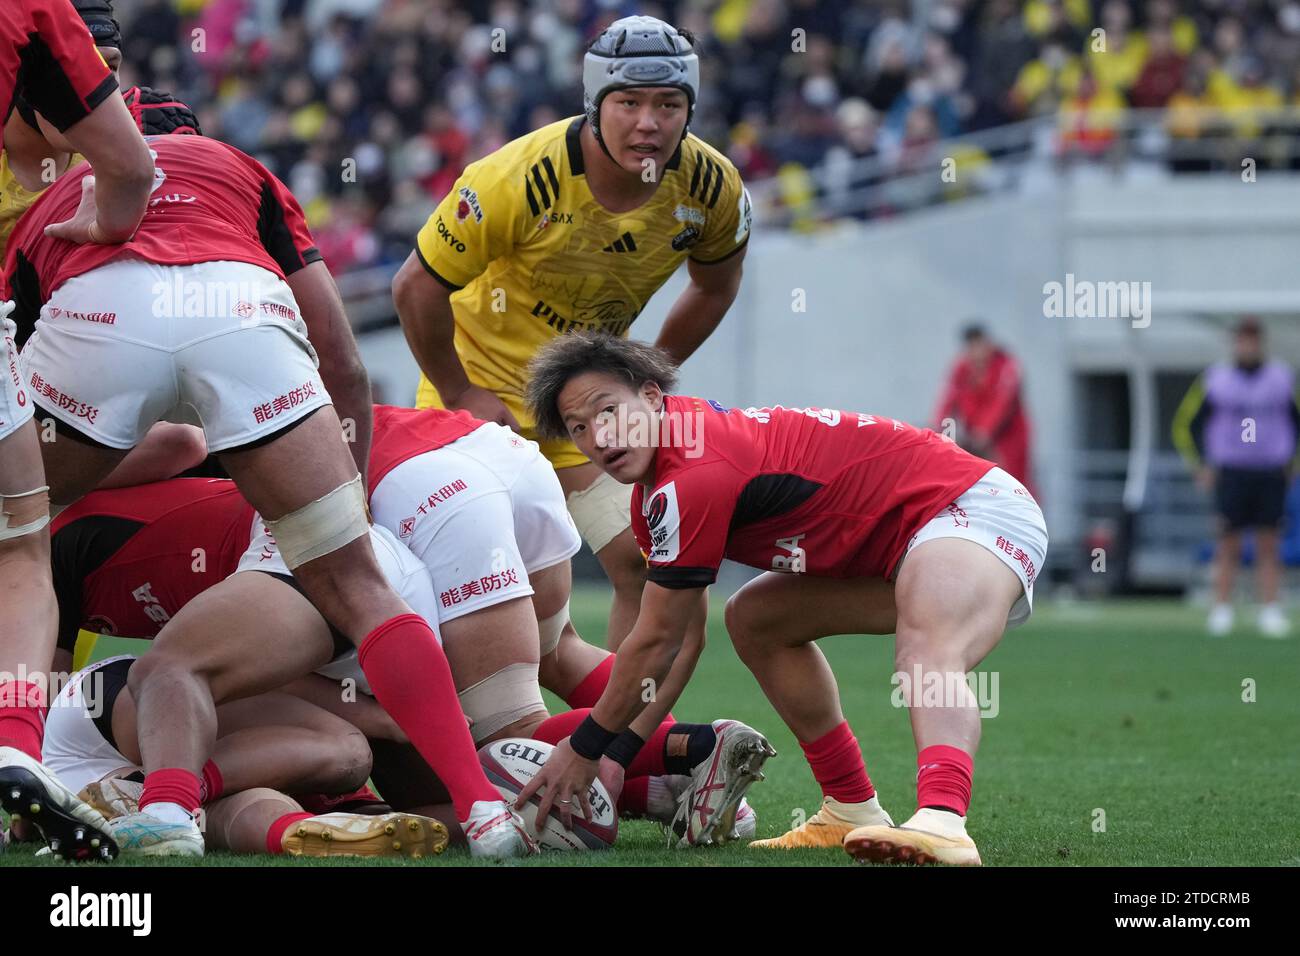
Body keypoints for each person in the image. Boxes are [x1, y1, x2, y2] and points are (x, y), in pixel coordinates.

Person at [2, 132, 533, 858]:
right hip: (424, 494)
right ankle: (523, 802)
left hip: (338, 528)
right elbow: (343, 360)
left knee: (92, 608)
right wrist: (349, 515)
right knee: (485, 707)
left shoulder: (48, 201)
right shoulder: (239, 166)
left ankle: (67, 769)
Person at [518, 333, 1049, 866]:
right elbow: (680, 639)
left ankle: (943, 819)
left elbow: (657, 642)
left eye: (608, 411)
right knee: (755, 618)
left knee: (927, 650)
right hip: (899, 544)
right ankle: (850, 806)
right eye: (578, 428)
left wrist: (587, 747)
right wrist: (619, 755)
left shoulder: (692, 475)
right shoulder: (660, 485)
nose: (598, 436)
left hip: (968, 508)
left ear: (653, 398)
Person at [393, 15, 750, 663]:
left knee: (654, 569)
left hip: (586, 407)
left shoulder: (712, 186)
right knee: (459, 585)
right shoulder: (513, 178)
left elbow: (716, 285)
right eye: (629, 103)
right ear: (594, 105)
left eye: (670, 105)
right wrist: (457, 388)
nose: (650, 123)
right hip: (478, 400)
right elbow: (415, 286)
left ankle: (614, 750)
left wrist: (651, 371)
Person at [0, 0, 155, 861]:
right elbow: (134, 174)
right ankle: (19, 743)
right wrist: (108, 219)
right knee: (22, 548)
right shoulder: (38, 16)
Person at [43, 654, 449, 859]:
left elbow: (430, 823)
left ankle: (152, 797)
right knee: (349, 750)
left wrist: (502, 821)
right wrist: (388, 720)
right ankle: (157, 792)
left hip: (90, 740)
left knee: (266, 811)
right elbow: (282, 675)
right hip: (142, 702)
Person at [1173, 316, 1298, 638]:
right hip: (1232, 471)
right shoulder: (1215, 380)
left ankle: (1269, 609)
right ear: (1234, 343)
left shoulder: (1282, 379)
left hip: (1270, 470)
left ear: (1261, 343)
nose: (1248, 346)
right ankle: (1222, 609)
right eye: (1242, 340)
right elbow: (1185, 425)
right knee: (1227, 542)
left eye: (1253, 340)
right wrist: (1200, 464)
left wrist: (1293, 462)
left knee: (1269, 543)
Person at [932, 323, 1034, 491]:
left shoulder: (1007, 366)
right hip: (977, 439)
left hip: (1008, 438)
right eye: (971, 347)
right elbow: (948, 401)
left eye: (979, 345)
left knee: (1012, 485)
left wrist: (984, 432)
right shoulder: (961, 368)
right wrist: (940, 432)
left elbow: (1003, 403)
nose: (976, 353)